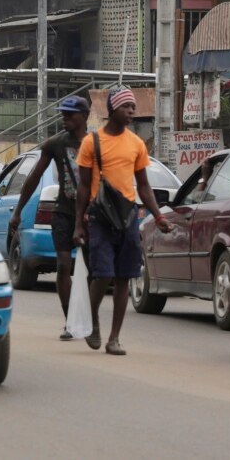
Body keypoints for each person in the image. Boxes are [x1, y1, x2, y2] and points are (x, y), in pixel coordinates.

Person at [73, 88, 172, 356]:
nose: (132, 111)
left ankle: (114, 338)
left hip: (128, 216)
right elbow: (83, 186)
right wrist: (78, 225)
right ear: (113, 110)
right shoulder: (91, 143)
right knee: (103, 273)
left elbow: (144, 186)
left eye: (133, 107)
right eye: (127, 106)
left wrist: (159, 215)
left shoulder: (137, 144)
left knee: (124, 278)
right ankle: (93, 320)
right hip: (99, 217)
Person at [9, 95, 91, 340]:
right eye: (62, 113)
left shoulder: (98, 144)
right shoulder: (55, 144)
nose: (64, 118)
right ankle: (70, 321)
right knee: (64, 265)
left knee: (96, 272)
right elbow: (34, 177)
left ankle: (89, 321)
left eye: (69, 114)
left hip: (93, 214)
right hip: (64, 213)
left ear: (84, 117)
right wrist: (18, 211)